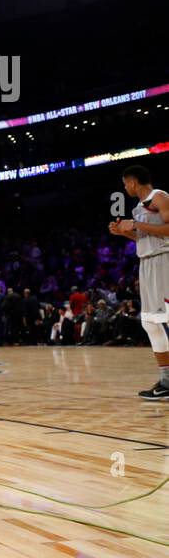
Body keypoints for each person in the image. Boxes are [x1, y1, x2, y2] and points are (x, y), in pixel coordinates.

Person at [110, 165, 169, 399]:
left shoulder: (160, 197)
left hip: (164, 260)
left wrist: (134, 224)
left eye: (126, 184)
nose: (125, 188)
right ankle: (166, 381)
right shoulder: (137, 208)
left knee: (166, 321)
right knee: (151, 323)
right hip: (146, 262)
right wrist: (124, 232)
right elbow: (146, 236)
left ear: (133, 182)